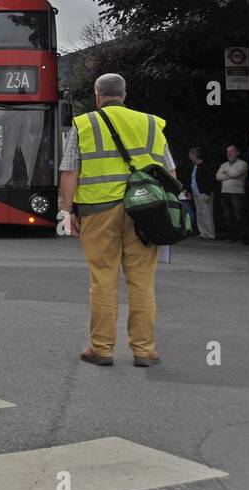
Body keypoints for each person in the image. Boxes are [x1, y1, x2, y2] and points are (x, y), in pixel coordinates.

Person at [59, 73, 176, 368]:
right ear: (124, 94)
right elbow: (170, 173)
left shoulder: (85, 124)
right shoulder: (151, 124)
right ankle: (144, 350)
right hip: (145, 212)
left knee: (103, 280)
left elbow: (70, 171)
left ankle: (102, 348)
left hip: (98, 210)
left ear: (98, 96)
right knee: (142, 282)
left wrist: (66, 211)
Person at [215, 145, 249, 243]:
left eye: (232, 151)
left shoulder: (243, 163)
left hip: (237, 193)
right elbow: (217, 176)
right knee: (228, 216)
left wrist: (226, 173)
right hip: (225, 192)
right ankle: (232, 236)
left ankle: (241, 238)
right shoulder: (224, 164)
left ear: (237, 153)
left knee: (239, 216)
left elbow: (237, 174)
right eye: (228, 152)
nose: (229, 154)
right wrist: (231, 175)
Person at [186, 147, 216, 240]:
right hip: (196, 193)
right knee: (199, 213)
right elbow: (192, 180)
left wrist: (207, 193)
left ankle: (210, 233)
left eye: (191, 155)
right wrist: (189, 191)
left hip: (203, 193)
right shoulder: (194, 166)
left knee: (206, 212)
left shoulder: (205, 166)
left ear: (195, 155)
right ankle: (203, 232)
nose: (189, 157)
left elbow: (209, 180)